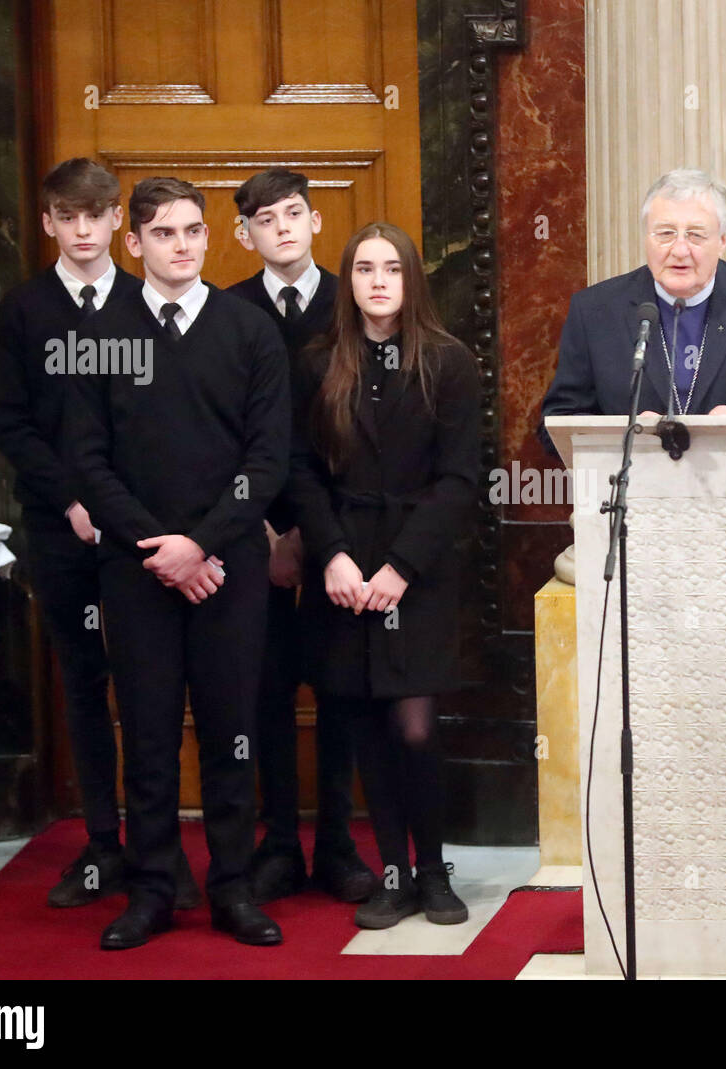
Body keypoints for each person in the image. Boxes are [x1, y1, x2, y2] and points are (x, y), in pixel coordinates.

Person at [65, 177, 290, 950]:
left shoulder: (249, 331)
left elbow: (268, 460)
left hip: (229, 572)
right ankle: (153, 887)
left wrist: (204, 544)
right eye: (163, 233)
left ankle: (232, 887)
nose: (182, 245)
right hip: (136, 575)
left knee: (232, 733)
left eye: (193, 230)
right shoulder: (102, 335)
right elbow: (89, 462)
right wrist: (162, 551)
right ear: (134, 245)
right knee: (152, 736)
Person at [0, 158, 200, 912]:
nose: (82, 230)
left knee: (160, 686)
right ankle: (104, 843)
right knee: (85, 682)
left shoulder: (155, 305)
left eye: (95, 215)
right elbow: (11, 422)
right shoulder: (24, 310)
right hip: (61, 529)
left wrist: (127, 516)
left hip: (147, 536)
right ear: (48, 222)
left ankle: (164, 846)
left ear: (119, 223)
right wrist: (74, 499)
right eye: (66, 217)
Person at [287, 222, 479, 929]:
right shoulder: (316, 364)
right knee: (365, 723)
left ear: (411, 280)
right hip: (342, 565)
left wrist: (400, 564)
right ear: (349, 281)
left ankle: (434, 870)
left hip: (416, 568)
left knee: (415, 726)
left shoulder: (449, 362)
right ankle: (393, 875)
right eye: (364, 268)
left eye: (391, 269)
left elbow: (460, 479)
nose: (376, 281)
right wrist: (331, 553)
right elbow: (299, 471)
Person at [227, 168, 378, 906]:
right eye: (266, 218)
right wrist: (262, 531)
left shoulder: (353, 304)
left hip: (339, 535)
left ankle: (339, 844)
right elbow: (220, 437)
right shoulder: (227, 312)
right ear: (245, 233)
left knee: (341, 688)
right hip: (252, 531)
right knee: (266, 690)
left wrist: (320, 538)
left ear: (317, 222)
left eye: (295, 214)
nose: (283, 227)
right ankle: (279, 841)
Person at [541, 169, 726, 446]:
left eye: (696, 235)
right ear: (646, 239)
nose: (680, 250)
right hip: (635, 491)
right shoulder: (596, 311)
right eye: (665, 233)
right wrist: (628, 433)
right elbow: (557, 420)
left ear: (722, 241)